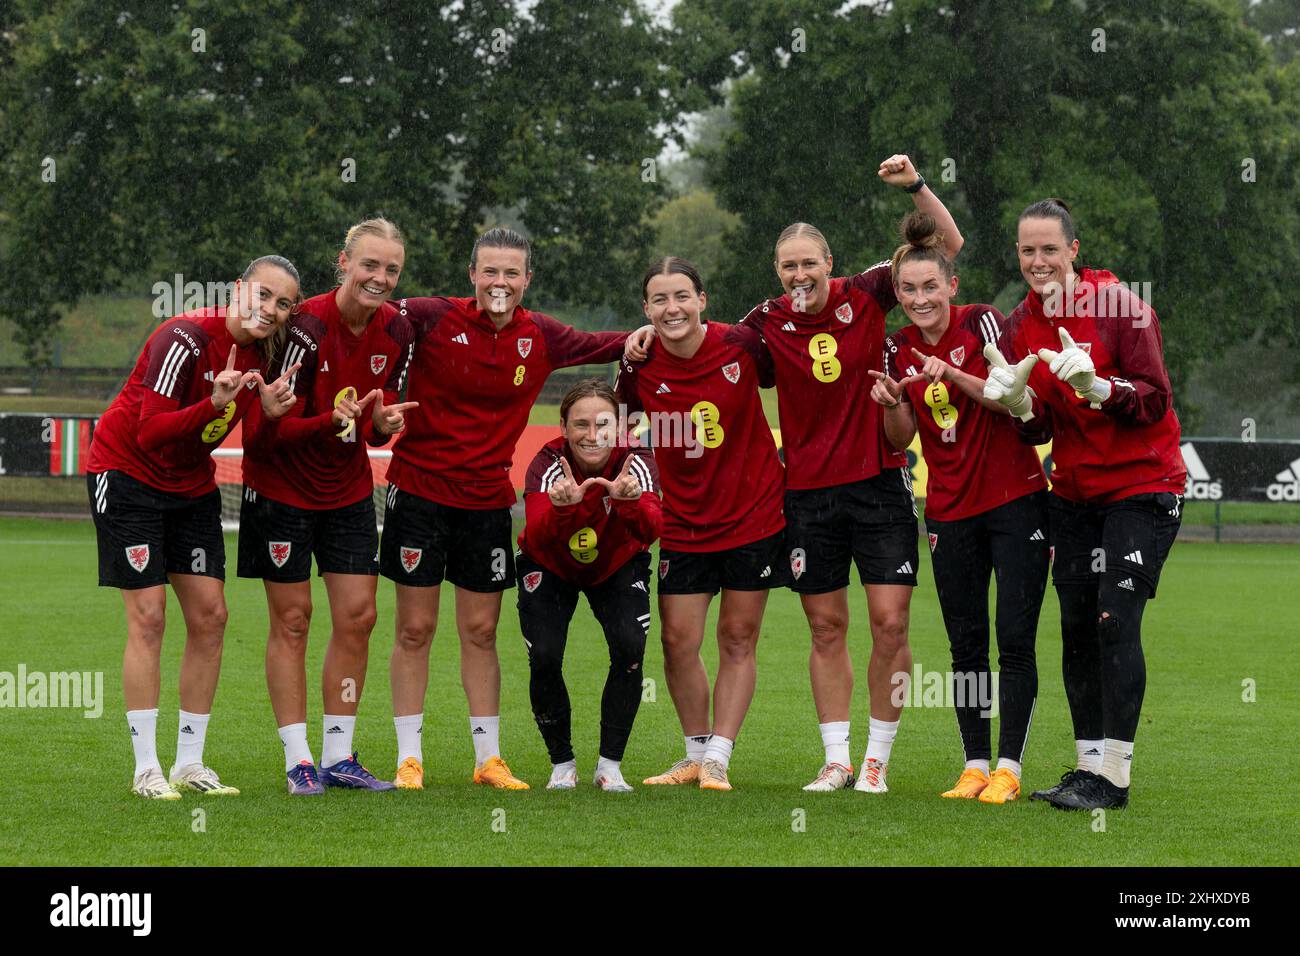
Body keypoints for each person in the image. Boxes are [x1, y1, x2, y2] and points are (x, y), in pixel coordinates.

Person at [626, 154, 963, 793]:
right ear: (777, 274)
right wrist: (646, 332)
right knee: (826, 626)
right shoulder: (763, 324)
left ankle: (876, 760)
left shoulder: (867, 293)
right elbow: (696, 336)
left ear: (829, 265)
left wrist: (917, 186)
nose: (801, 274)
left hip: (879, 484)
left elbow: (946, 245)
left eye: (810, 262)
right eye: (789, 266)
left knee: (891, 623)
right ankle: (836, 758)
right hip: (805, 495)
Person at [381, 227, 630, 791]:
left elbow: (605, 343)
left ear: (527, 280)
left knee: (481, 631)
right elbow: (365, 314)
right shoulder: (429, 317)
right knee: (415, 629)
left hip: (486, 502)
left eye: (511, 273)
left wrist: (646, 334)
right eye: (489, 271)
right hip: (418, 494)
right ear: (471, 274)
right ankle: (407, 758)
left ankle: (488, 760)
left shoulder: (540, 335)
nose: (500, 282)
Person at [982, 198, 1185, 810]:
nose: (1037, 261)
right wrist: (1019, 406)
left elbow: (1155, 399)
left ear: (1074, 250)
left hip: (1142, 489)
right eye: (1026, 250)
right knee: (1075, 629)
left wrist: (1100, 387)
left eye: (1049, 249)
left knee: (1113, 621)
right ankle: (1087, 769)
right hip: (1072, 495)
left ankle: (1115, 780)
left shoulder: (1121, 307)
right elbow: (1040, 430)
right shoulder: (1020, 324)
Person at [87, 255, 302, 799]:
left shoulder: (262, 359)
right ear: (238, 290)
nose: (271, 310)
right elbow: (151, 432)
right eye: (264, 295)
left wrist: (270, 416)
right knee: (150, 617)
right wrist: (212, 402)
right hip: (128, 474)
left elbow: (254, 443)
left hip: (191, 489)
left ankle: (189, 763)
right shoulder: (181, 337)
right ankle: (145, 769)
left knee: (211, 616)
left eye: (284, 304)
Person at [872, 211, 1050, 803]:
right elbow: (900, 439)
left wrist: (952, 371)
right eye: (908, 290)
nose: (920, 299)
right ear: (896, 295)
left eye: (930, 287)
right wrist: (893, 401)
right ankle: (974, 763)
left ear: (951, 286)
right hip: (948, 510)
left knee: (1014, 639)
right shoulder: (895, 348)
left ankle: (1010, 768)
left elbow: (1010, 399)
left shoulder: (982, 323)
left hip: (1016, 500)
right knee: (966, 643)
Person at [240, 218, 417, 796]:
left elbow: (367, 434)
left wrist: (379, 427)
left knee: (359, 617)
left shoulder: (395, 331)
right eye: (370, 264)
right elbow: (265, 433)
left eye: (391, 268)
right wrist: (335, 422)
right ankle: (299, 760)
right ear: (344, 262)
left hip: (345, 494)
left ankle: (340, 754)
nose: (381, 277)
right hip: (281, 491)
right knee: (292, 621)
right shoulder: (303, 326)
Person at [616, 256, 786, 792]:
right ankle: (693, 751)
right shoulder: (638, 363)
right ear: (646, 309)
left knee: (737, 637)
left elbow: (796, 367)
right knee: (677, 640)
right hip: (685, 521)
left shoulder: (741, 344)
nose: (673, 308)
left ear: (703, 299)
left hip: (753, 512)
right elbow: (619, 421)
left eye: (682, 296)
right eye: (660, 300)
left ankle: (719, 755)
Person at [516, 379, 662, 791]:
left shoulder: (636, 461)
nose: (592, 434)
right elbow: (538, 535)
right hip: (550, 563)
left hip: (614, 563)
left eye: (602, 423)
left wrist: (628, 502)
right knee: (544, 656)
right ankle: (561, 765)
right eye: (580, 424)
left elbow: (652, 529)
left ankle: (609, 766)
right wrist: (565, 508)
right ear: (563, 426)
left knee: (630, 648)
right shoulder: (546, 463)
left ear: (618, 427)